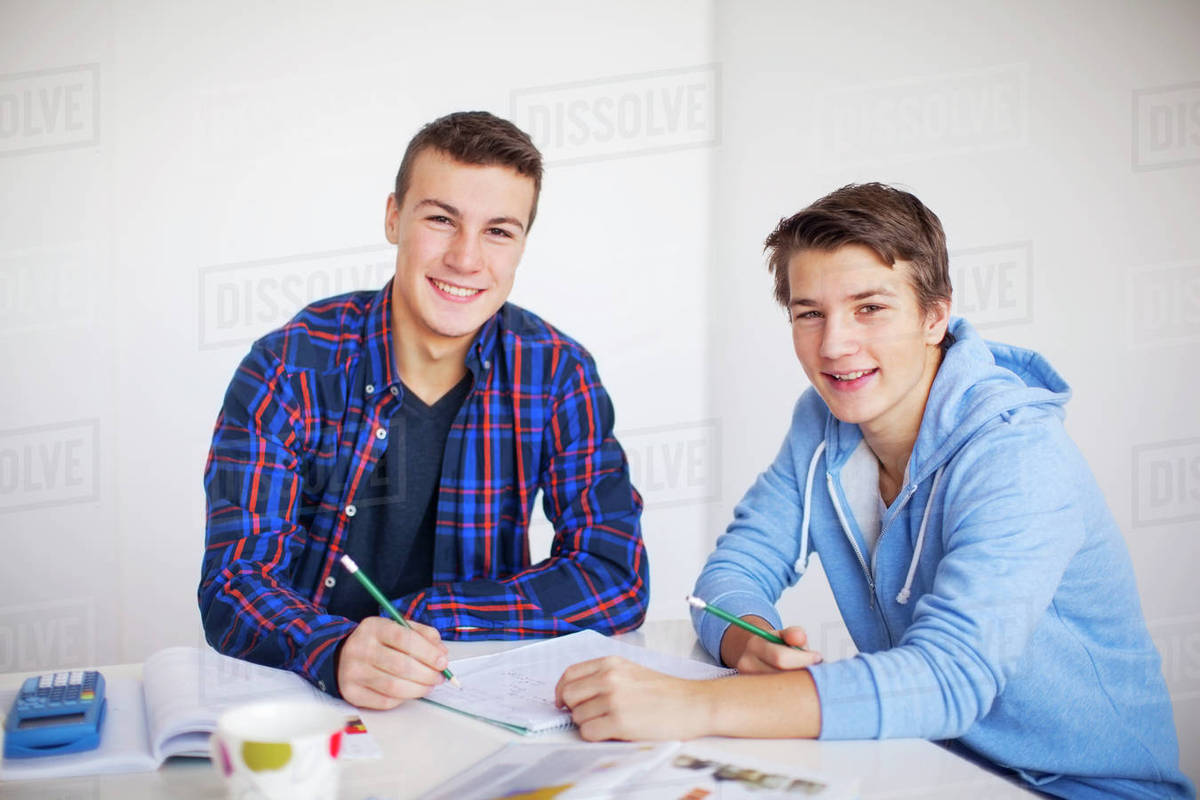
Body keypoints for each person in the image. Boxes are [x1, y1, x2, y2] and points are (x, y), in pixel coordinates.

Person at [554, 183, 1191, 799]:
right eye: (810, 314)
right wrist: (752, 641)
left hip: (1075, 787)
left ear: (935, 316)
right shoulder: (823, 421)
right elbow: (733, 572)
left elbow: (950, 680)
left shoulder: (1018, 455)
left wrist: (691, 703)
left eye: (870, 307)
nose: (833, 345)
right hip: (926, 762)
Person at [200, 111, 648, 710]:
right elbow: (233, 583)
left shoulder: (557, 372)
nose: (466, 259)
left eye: (498, 231)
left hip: (476, 697)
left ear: (521, 246)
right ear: (393, 218)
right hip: (311, 701)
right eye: (441, 219)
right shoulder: (288, 366)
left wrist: (430, 612)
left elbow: (614, 573)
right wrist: (333, 647)